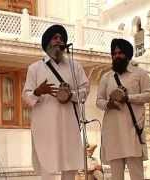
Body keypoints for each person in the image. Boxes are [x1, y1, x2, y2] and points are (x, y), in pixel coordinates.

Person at [22, 24, 89, 180]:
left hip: (69, 125)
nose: (59, 41)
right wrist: (39, 91)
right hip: (46, 127)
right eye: (55, 38)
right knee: (47, 168)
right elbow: (26, 95)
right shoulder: (35, 68)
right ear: (47, 43)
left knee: (69, 168)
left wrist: (69, 95)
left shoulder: (75, 66)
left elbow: (85, 90)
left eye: (61, 38)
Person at [96, 38, 150, 180]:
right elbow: (99, 101)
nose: (116, 56)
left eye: (120, 53)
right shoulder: (106, 77)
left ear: (127, 55)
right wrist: (108, 104)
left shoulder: (140, 74)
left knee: (137, 175)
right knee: (116, 176)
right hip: (113, 133)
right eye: (114, 53)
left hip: (132, 131)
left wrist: (128, 98)